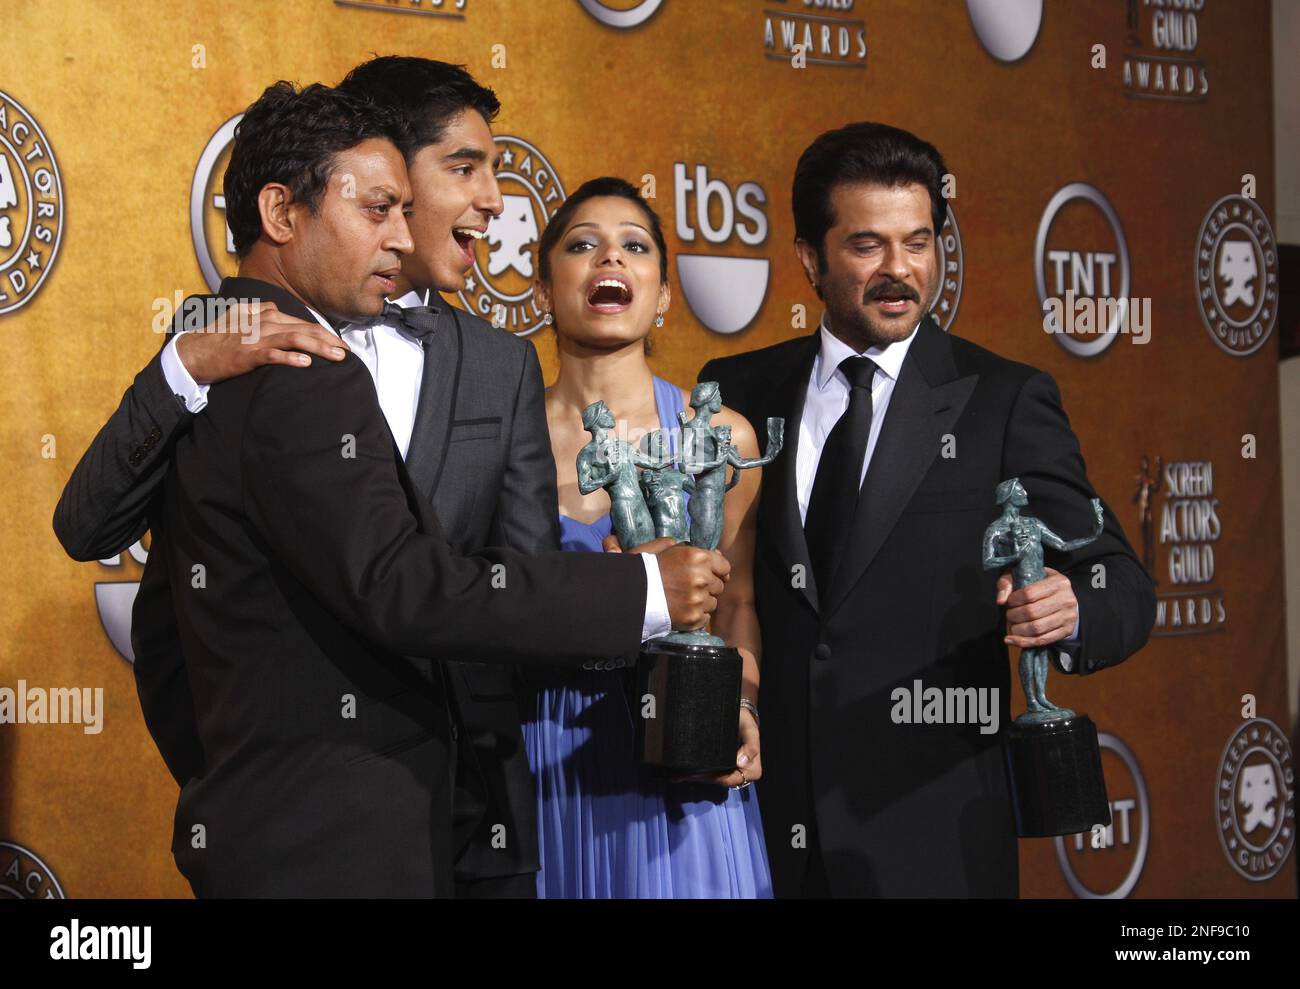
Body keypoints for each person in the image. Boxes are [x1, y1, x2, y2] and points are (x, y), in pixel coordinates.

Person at [52, 81, 727, 897]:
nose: (403, 235)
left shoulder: (493, 362)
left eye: (404, 210)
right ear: (281, 211)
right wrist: (643, 585)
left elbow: (509, 570)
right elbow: (125, 553)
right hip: (337, 830)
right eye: (380, 208)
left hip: (456, 813)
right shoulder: (237, 352)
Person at [699, 123, 1155, 898]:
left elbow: (1121, 580)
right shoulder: (739, 389)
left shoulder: (1004, 399)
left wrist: (1073, 606)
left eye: (919, 242)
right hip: (758, 828)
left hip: (932, 843)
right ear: (810, 257)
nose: (899, 270)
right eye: (868, 245)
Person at [524, 177, 773, 898]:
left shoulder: (725, 437)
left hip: (685, 766)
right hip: (548, 762)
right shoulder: (497, 440)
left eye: (635, 246)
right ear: (544, 287)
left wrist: (745, 704)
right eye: (582, 244)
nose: (611, 257)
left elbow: (739, 606)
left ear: (663, 293)